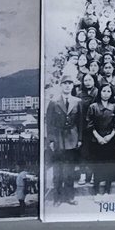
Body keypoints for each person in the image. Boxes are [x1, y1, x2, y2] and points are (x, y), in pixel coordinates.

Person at [46, 66, 82, 205]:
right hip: (58, 139)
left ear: (73, 86)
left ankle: (69, 197)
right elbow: (49, 123)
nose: (67, 86)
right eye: (65, 84)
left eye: (70, 84)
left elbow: (80, 123)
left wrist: (79, 139)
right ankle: (57, 198)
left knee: (70, 170)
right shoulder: (54, 102)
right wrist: (51, 140)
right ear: (61, 86)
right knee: (58, 170)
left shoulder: (77, 102)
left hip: (72, 140)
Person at [86, 82, 115, 195]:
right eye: (104, 91)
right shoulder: (93, 107)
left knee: (109, 165)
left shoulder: (114, 107)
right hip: (96, 140)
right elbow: (89, 124)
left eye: (108, 91)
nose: (106, 94)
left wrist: (110, 136)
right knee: (97, 165)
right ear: (100, 92)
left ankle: (107, 191)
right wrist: (98, 137)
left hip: (110, 140)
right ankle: (96, 191)